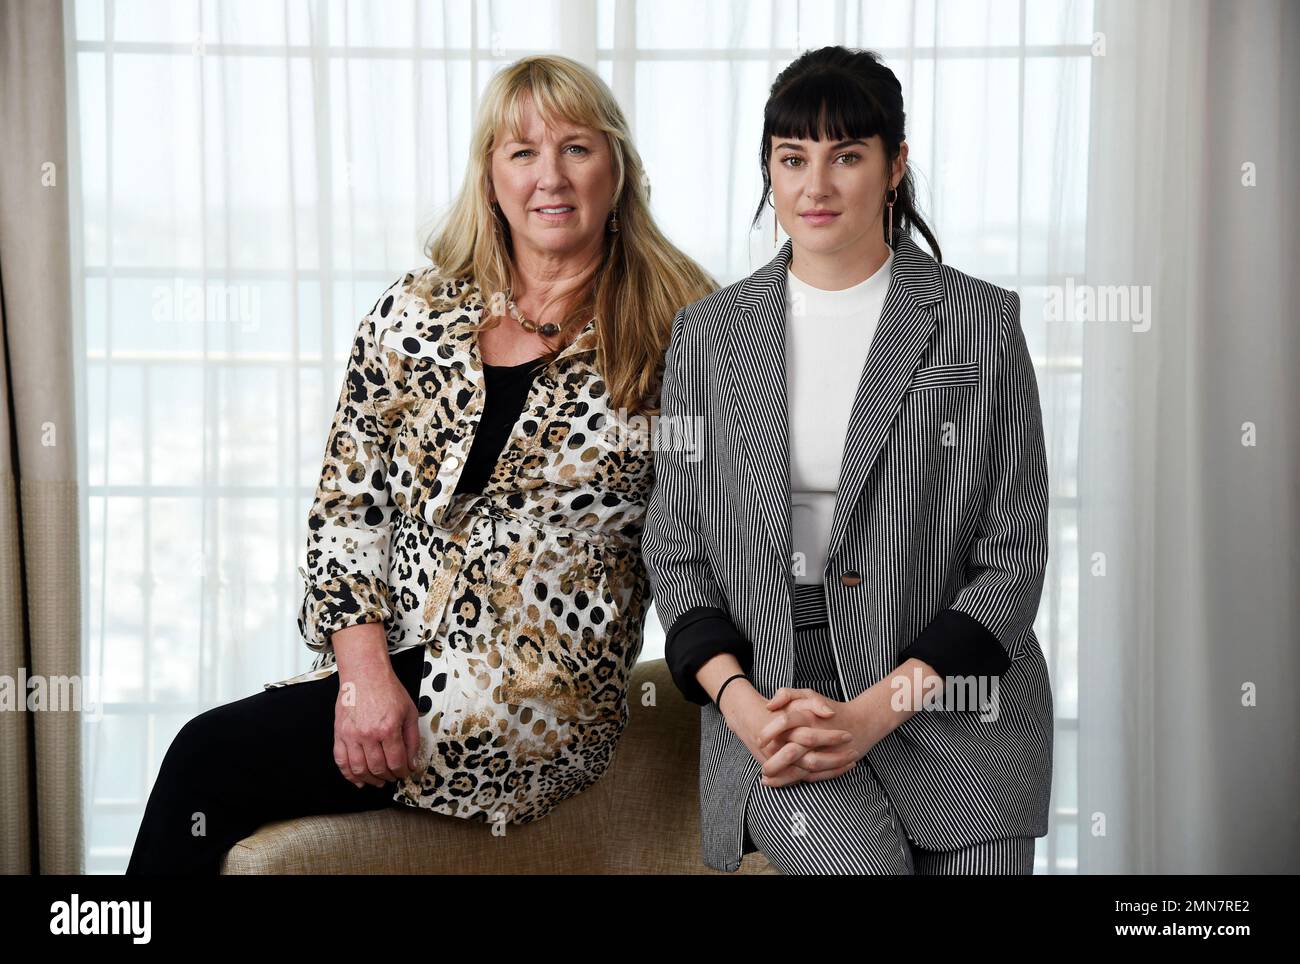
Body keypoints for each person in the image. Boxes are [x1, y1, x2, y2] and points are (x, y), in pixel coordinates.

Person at [127, 54, 714, 874]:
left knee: (206, 758)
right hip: (394, 656)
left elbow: (719, 535)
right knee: (215, 784)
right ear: (489, 177)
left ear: (619, 166)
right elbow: (347, 510)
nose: (551, 176)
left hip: (536, 689)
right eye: (522, 152)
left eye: (577, 148)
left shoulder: (685, 335)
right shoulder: (414, 313)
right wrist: (363, 675)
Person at [641, 45, 1054, 875]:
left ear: (895, 166)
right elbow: (676, 550)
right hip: (778, 702)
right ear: (769, 167)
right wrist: (743, 705)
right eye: (792, 159)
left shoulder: (982, 325)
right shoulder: (708, 336)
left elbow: (1012, 560)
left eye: (848, 156)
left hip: (953, 701)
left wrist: (876, 711)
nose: (815, 187)